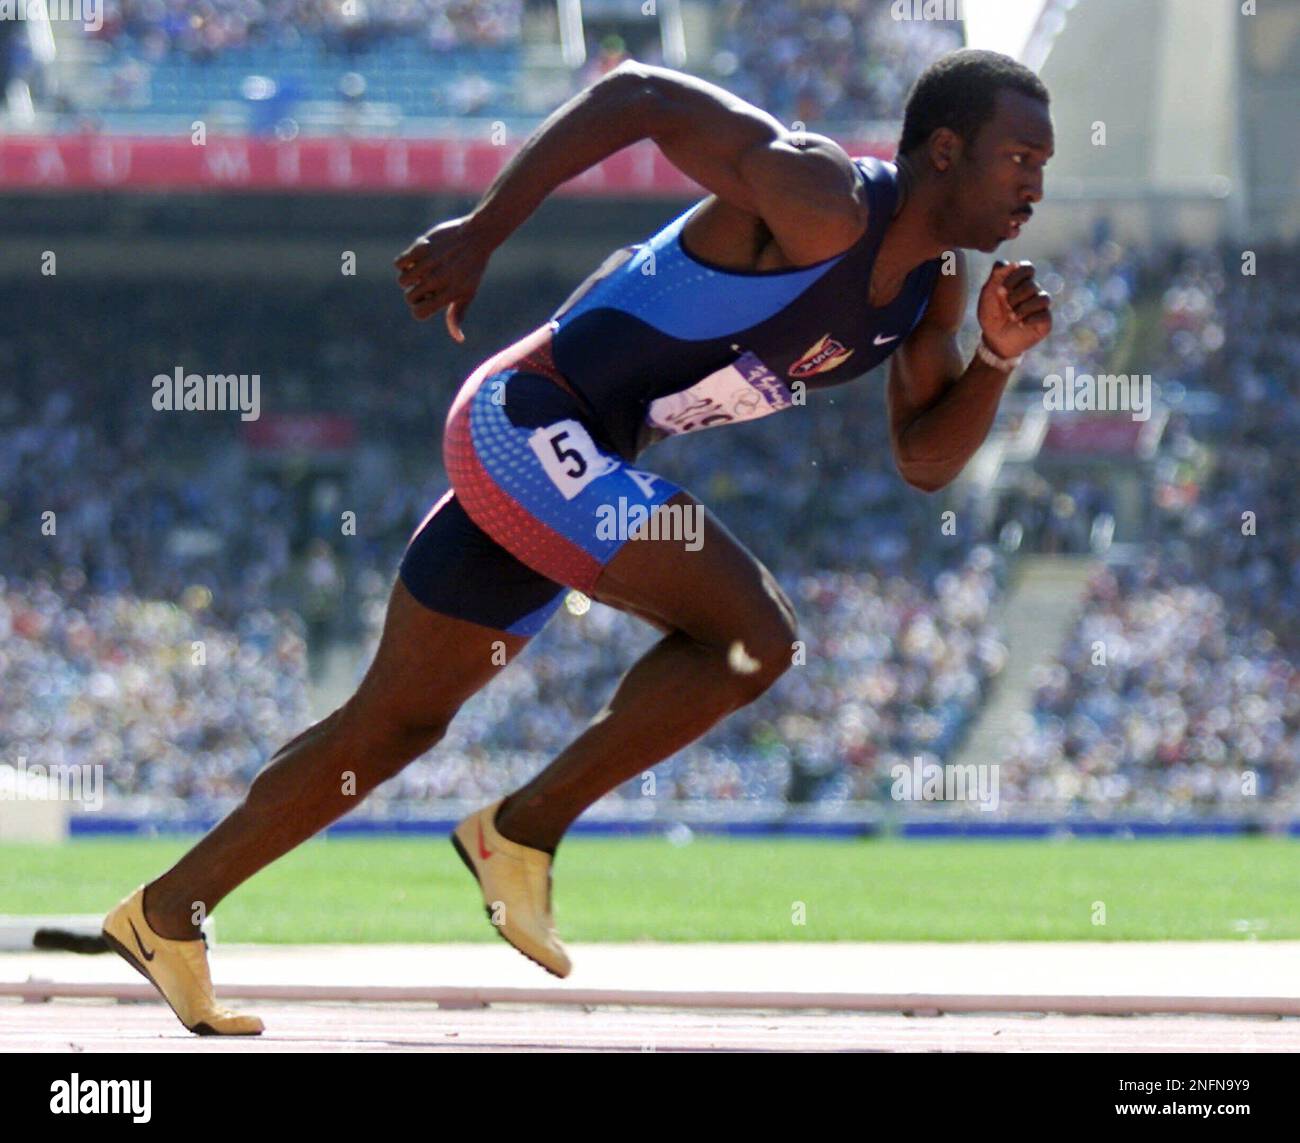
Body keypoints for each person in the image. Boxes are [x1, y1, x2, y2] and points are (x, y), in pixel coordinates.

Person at [103, 48, 1054, 1033]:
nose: (1034, 186)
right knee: (753, 638)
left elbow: (925, 460)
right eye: (1019, 157)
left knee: (391, 726)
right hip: (526, 421)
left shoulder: (935, 289)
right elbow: (636, 93)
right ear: (944, 151)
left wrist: (992, 358)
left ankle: (166, 914)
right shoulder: (823, 198)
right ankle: (520, 831)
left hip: (573, 464)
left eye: (1045, 165)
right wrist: (481, 234)